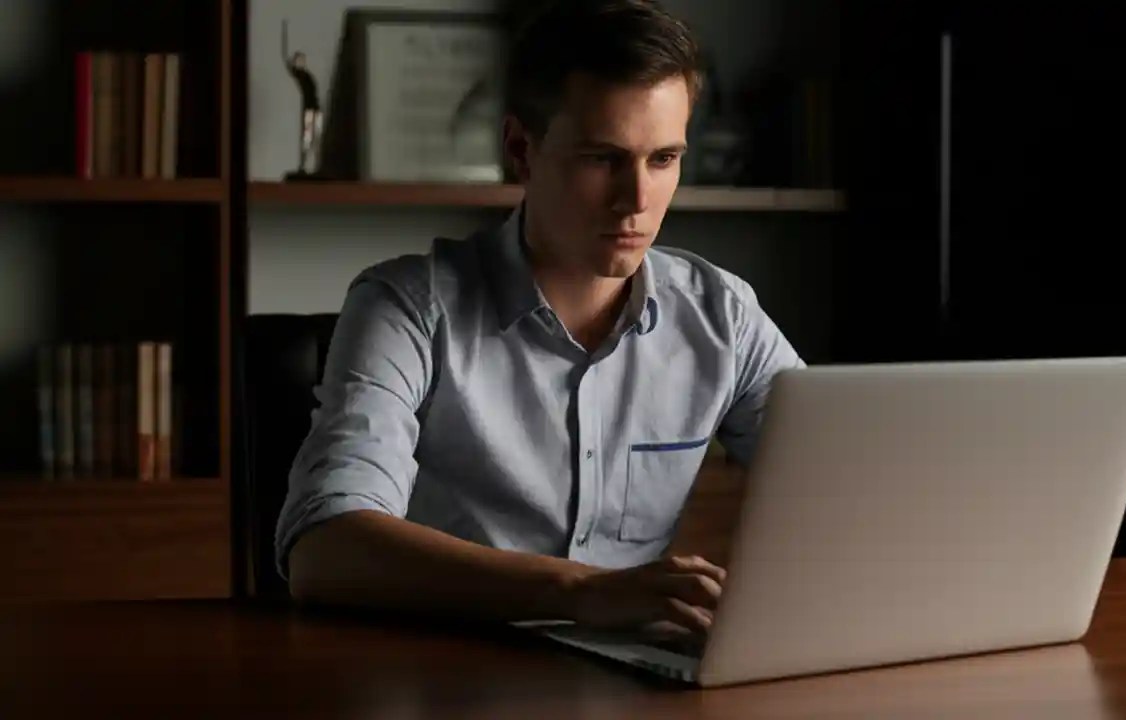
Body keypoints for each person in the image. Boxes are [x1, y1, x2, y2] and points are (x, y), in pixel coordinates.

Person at [276, 0, 803, 641]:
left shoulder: (722, 317)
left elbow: (853, 484)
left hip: (634, 685)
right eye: (603, 159)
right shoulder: (407, 308)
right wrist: (582, 592)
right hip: (444, 677)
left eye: (663, 159)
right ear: (521, 149)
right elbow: (323, 549)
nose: (636, 199)